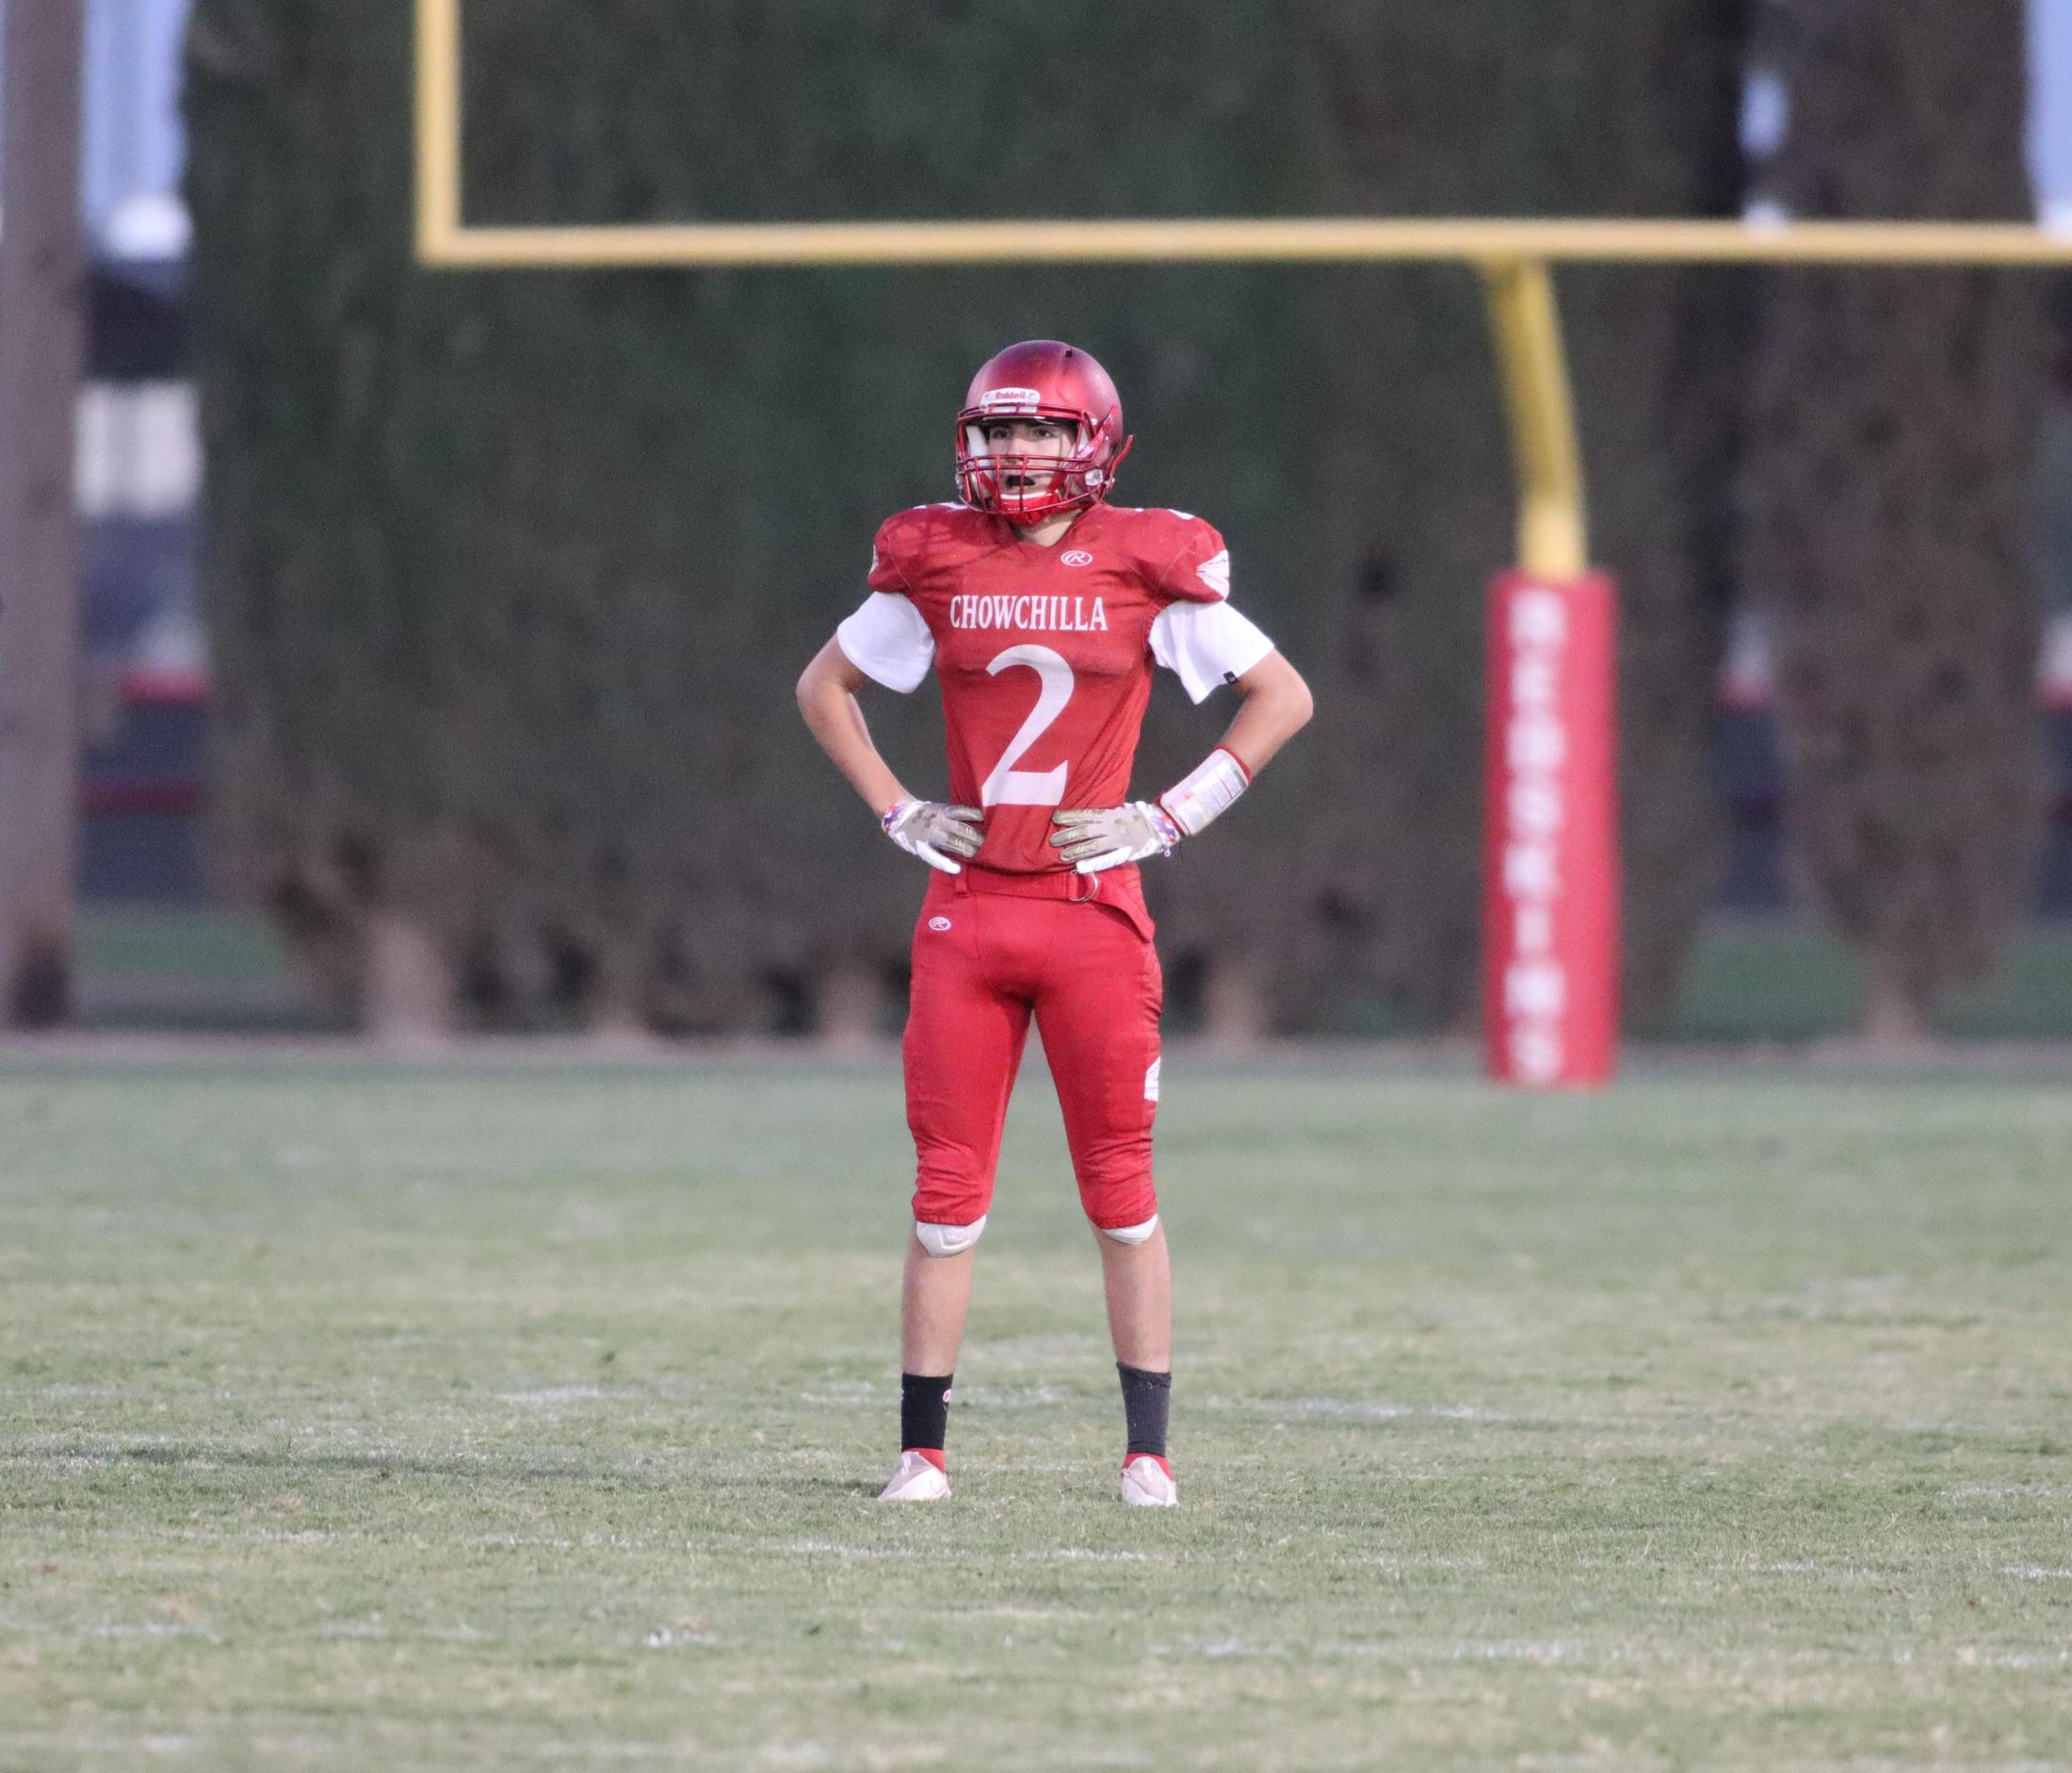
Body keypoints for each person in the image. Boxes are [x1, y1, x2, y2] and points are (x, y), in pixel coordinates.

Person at [795, 339, 1313, 1506]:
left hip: (1092, 914)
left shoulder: (1146, 557)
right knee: (944, 1199)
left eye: (1043, 430)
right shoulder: (935, 557)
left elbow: (1283, 695)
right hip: (969, 911)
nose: (1018, 449)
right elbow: (822, 686)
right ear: (968, 440)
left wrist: (1171, 815)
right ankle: (920, 1453)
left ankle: (1147, 1454)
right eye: (998, 429)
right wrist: (894, 811)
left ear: (1098, 443)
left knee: (1122, 1195)